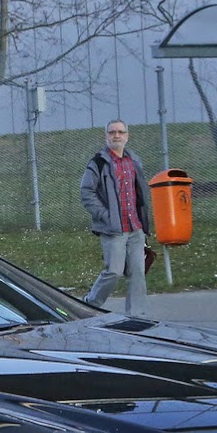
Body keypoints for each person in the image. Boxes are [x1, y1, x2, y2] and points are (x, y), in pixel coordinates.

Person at [79, 119, 149, 314]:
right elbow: (86, 192)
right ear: (106, 136)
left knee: (138, 273)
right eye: (111, 132)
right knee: (114, 272)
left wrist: (143, 223)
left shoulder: (134, 160)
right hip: (113, 229)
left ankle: (137, 315)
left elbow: (140, 192)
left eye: (120, 132)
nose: (116, 135)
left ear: (127, 136)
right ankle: (89, 305)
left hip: (135, 228)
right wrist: (106, 216)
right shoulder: (98, 163)